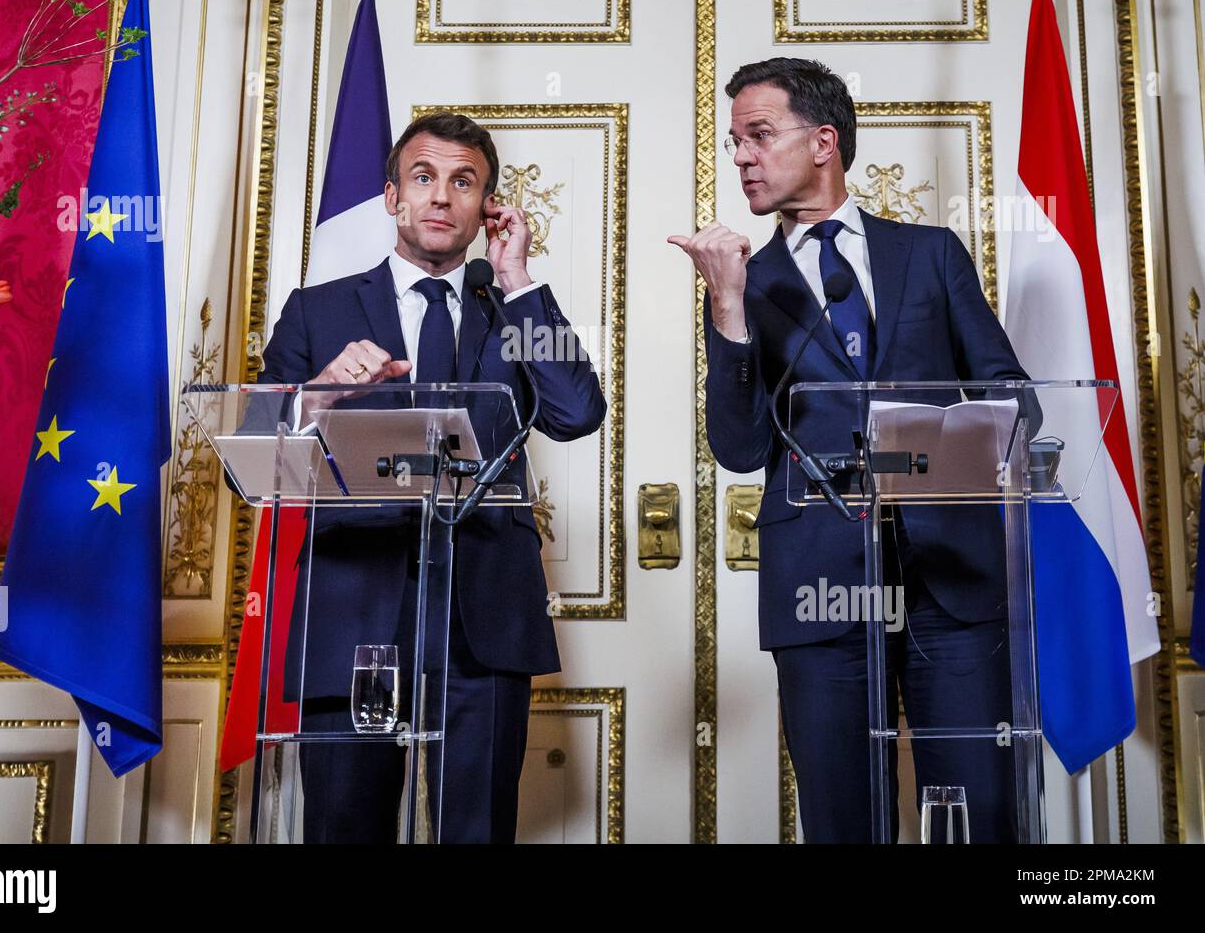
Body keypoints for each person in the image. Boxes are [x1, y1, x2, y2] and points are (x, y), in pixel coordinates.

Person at [669, 58, 1033, 843]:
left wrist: (935, 451)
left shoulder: (930, 253)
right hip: (819, 590)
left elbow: (1015, 399)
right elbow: (738, 448)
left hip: (953, 586)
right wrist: (728, 308)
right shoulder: (745, 284)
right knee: (843, 821)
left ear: (824, 140)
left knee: (980, 815)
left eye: (758, 136)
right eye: (734, 142)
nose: (740, 157)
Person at [256, 111, 605, 842]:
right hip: (351, 612)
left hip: (484, 619)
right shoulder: (316, 311)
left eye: (464, 182)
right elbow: (252, 459)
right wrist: (318, 394)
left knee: (474, 829)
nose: (442, 196)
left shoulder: (511, 308)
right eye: (424, 178)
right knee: (343, 830)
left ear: (488, 209)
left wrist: (518, 280)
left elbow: (575, 411)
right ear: (393, 198)